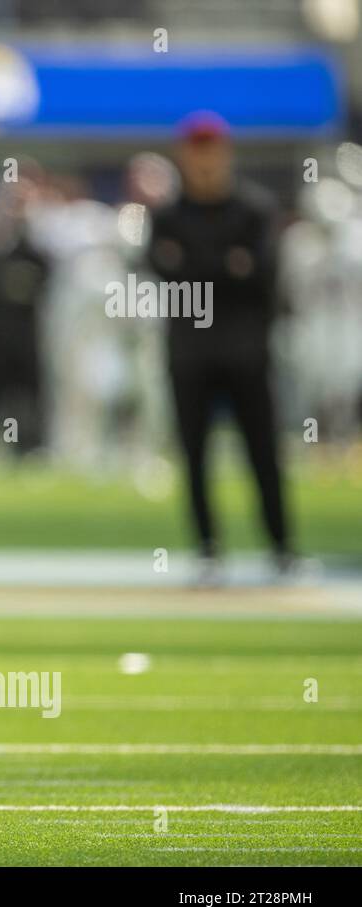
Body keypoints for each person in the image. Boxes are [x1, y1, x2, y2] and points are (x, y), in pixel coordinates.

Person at [147, 111, 294, 582]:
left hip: (247, 352)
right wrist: (227, 268)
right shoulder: (167, 215)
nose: (205, 160)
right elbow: (164, 275)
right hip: (190, 353)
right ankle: (208, 548)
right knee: (195, 453)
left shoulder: (254, 209)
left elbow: (260, 276)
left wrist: (196, 267)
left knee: (263, 451)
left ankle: (281, 545)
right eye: (196, 150)